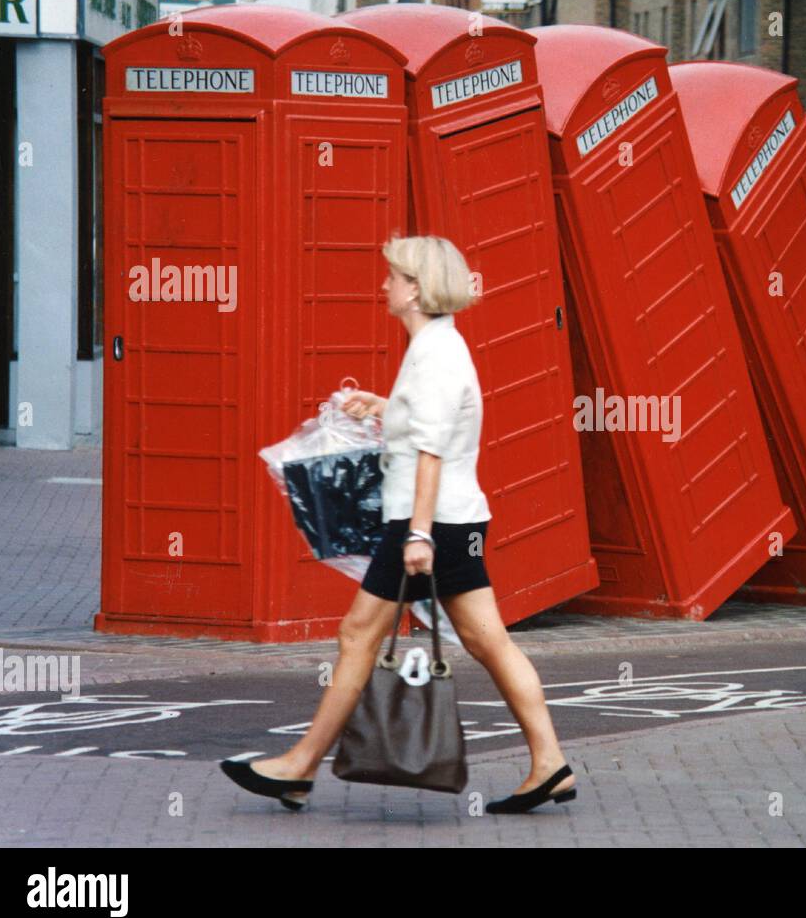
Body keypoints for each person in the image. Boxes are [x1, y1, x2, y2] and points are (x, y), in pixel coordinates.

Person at [221, 235, 576, 815]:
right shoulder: (436, 346)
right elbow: (429, 424)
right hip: (452, 521)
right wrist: (383, 406)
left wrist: (415, 535)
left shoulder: (436, 353)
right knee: (488, 642)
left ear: (416, 288)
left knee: (358, 636)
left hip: (426, 523)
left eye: (392, 277)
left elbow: (432, 450)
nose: (383, 285)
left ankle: (300, 765)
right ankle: (549, 763)